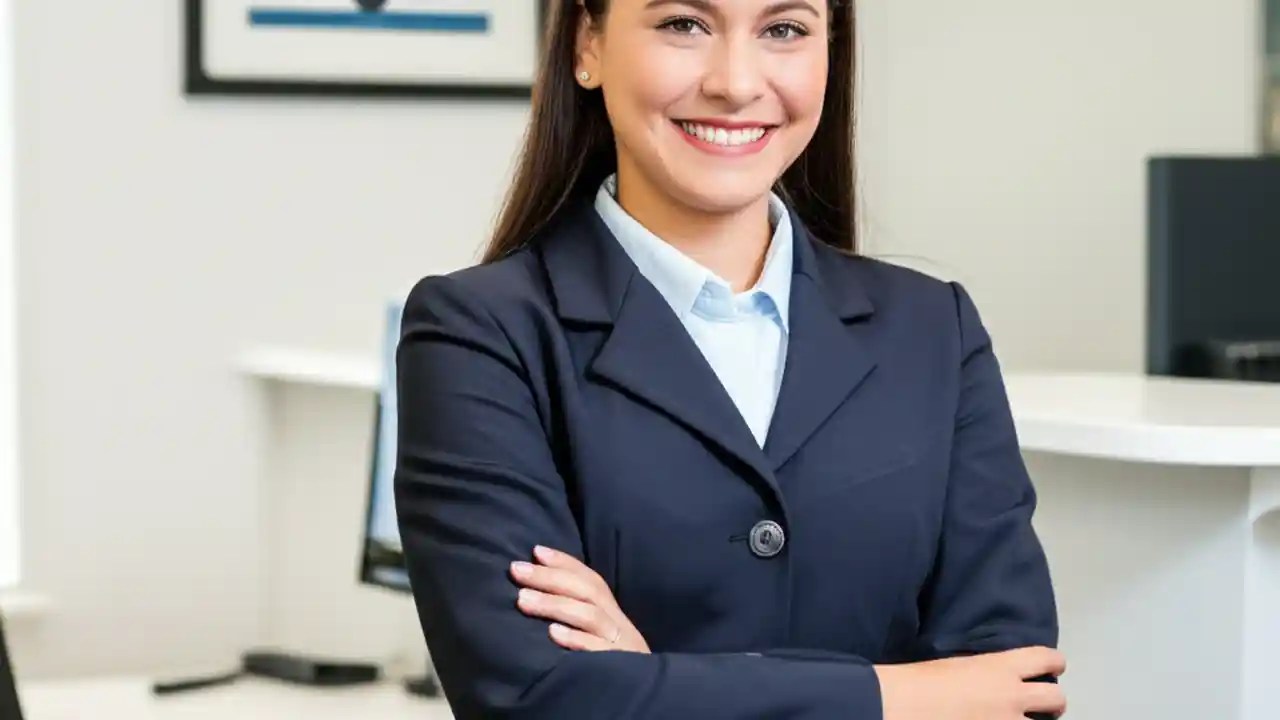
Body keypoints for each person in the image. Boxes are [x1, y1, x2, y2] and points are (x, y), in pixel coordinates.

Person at [393, 0, 1066, 718]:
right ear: (588, 44)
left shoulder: (935, 330)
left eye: (784, 30)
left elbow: (1013, 689)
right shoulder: (481, 334)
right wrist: (894, 695)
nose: (736, 82)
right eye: (684, 24)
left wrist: (650, 678)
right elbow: (538, 699)